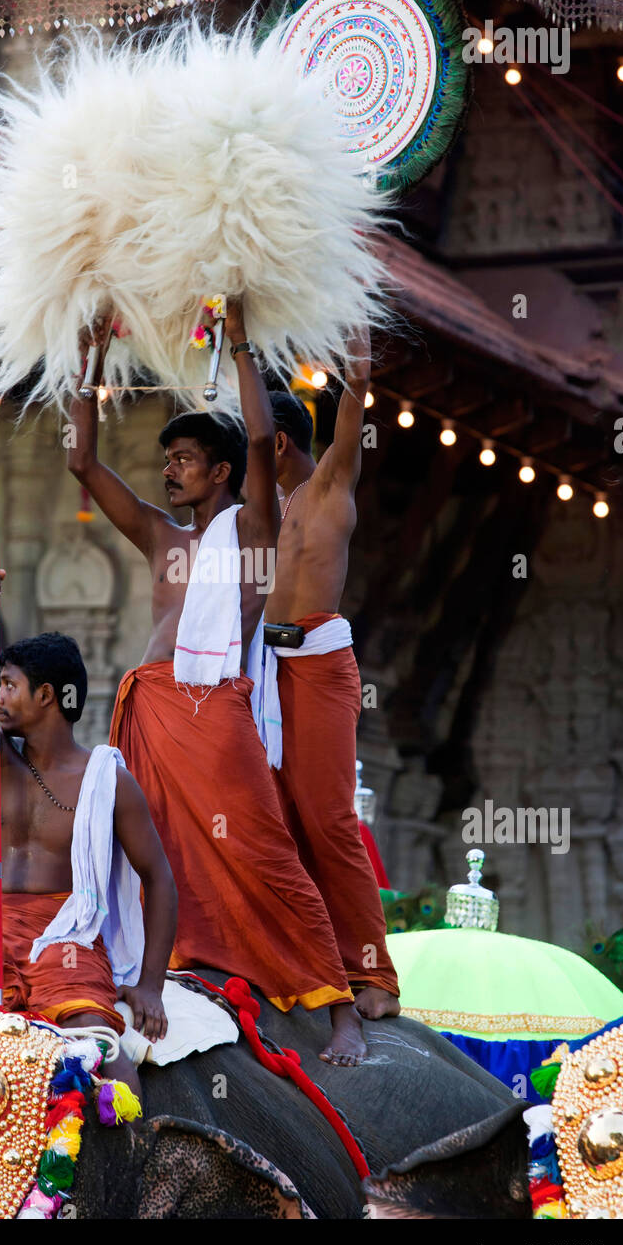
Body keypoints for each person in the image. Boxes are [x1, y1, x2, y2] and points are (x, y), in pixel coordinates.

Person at [68, 301, 370, 1064]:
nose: (169, 469)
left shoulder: (254, 532)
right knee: (150, 847)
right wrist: (91, 365)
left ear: (224, 471)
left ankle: (339, 1010)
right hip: (152, 707)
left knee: (265, 850)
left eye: (186, 457)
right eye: (168, 459)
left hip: (218, 710)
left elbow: (264, 434)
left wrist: (237, 341)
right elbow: (81, 463)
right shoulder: (160, 538)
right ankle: (160, 972)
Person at [0, 557, 178, 1099]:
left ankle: (136, 1159)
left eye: (8, 685)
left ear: (47, 697)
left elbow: (161, 879)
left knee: (100, 1052)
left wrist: (150, 984)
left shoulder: (108, 780)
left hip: (67, 938)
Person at [254, 325, 400, 1021]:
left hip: (317, 666)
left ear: (278, 442)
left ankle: (376, 977)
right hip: (267, 670)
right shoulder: (265, 511)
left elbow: (353, 405)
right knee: (274, 818)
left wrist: (358, 362)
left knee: (332, 821)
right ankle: (305, 961)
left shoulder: (329, 483)